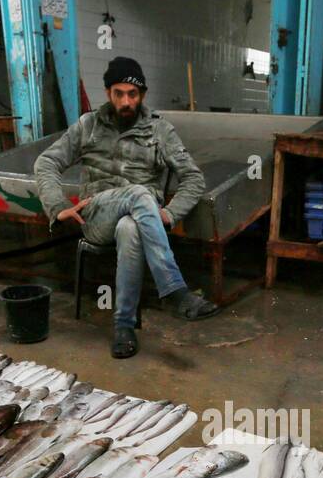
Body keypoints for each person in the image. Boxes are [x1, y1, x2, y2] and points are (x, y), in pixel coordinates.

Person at [34, 56, 219, 359]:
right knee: (138, 195)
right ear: (108, 93)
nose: (126, 101)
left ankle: (123, 327)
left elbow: (193, 178)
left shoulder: (161, 131)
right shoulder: (88, 125)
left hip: (137, 219)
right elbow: (47, 162)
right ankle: (174, 291)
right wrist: (57, 207)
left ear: (142, 95)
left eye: (132, 94)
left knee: (131, 226)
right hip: (96, 216)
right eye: (119, 93)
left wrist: (170, 215)